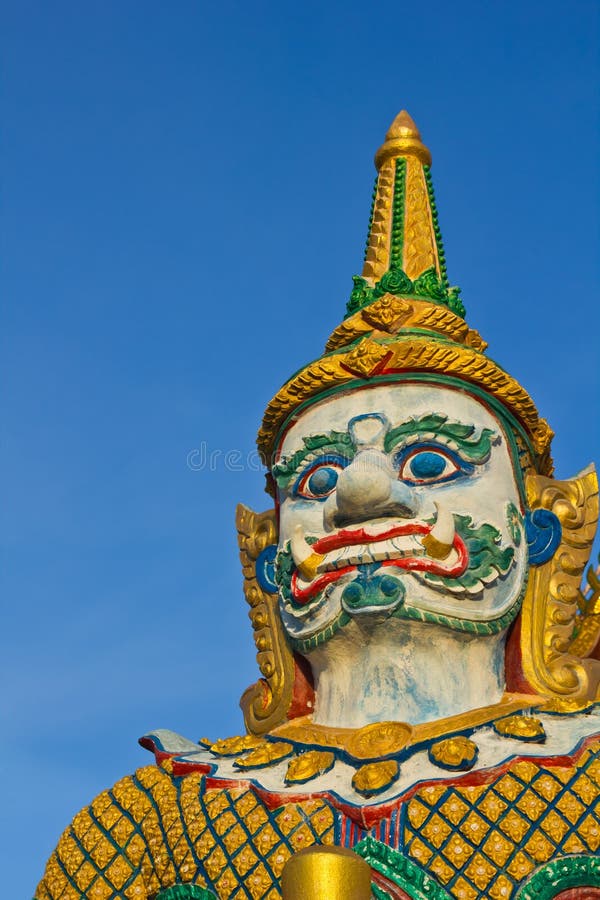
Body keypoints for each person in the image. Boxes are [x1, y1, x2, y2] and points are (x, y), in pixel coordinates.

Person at [36, 111, 600, 900]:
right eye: (317, 479)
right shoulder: (156, 819)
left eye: (431, 461)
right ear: (268, 559)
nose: (362, 497)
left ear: (541, 529)